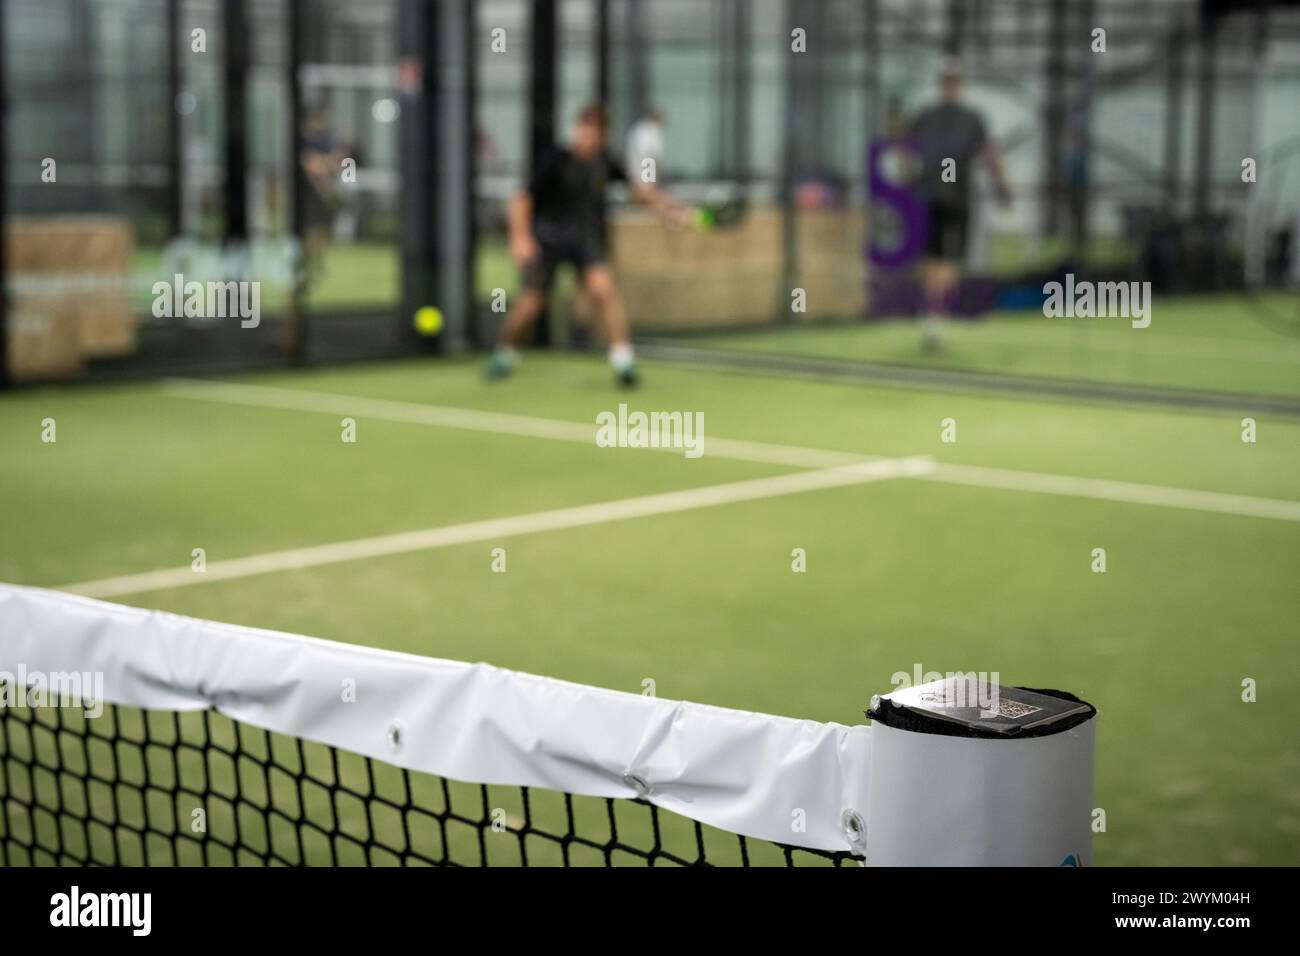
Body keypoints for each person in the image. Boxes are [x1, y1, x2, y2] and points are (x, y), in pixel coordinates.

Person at [486, 103, 689, 387]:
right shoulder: (556, 159)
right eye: (584, 130)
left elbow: (638, 190)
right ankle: (504, 354)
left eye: (594, 133)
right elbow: (521, 199)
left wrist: (667, 207)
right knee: (530, 305)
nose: (587, 137)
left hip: (584, 243)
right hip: (547, 242)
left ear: (603, 137)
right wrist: (521, 238)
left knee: (603, 292)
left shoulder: (605, 160)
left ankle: (623, 361)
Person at [908, 58, 1011, 350]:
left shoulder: (942, 117)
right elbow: (905, 152)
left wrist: (1000, 183)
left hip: (942, 196)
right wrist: (1002, 185)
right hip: (944, 197)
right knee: (942, 259)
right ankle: (934, 317)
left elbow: (905, 154)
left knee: (940, 259)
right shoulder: (941, 117)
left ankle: (932, 316)